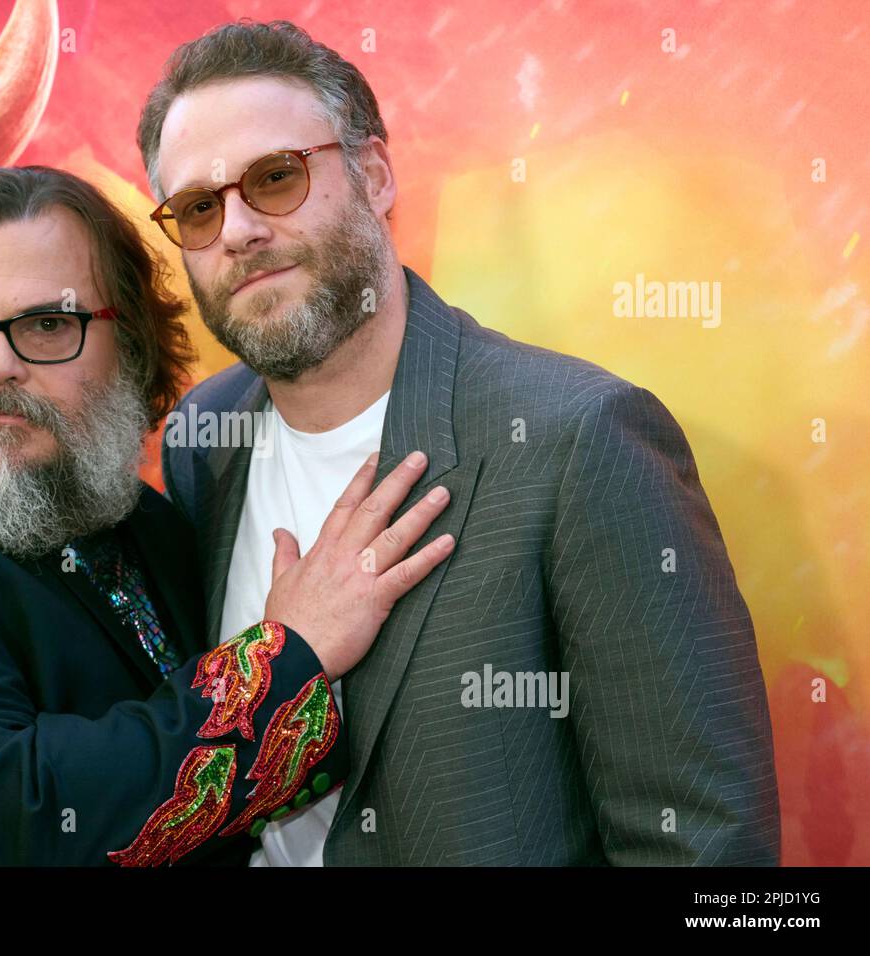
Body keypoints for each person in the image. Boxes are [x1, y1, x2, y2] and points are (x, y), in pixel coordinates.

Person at [138, 19, 781, 865]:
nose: (239, 230)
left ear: (373, 175)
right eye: (198, 206)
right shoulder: (200, 439)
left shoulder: (580, 439)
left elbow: (704, 845)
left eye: (276, 177)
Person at [0, 165, 455, 865]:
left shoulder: (130, 515)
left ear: (128, 350)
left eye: (50, 326)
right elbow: (32, 823)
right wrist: (293, 654)